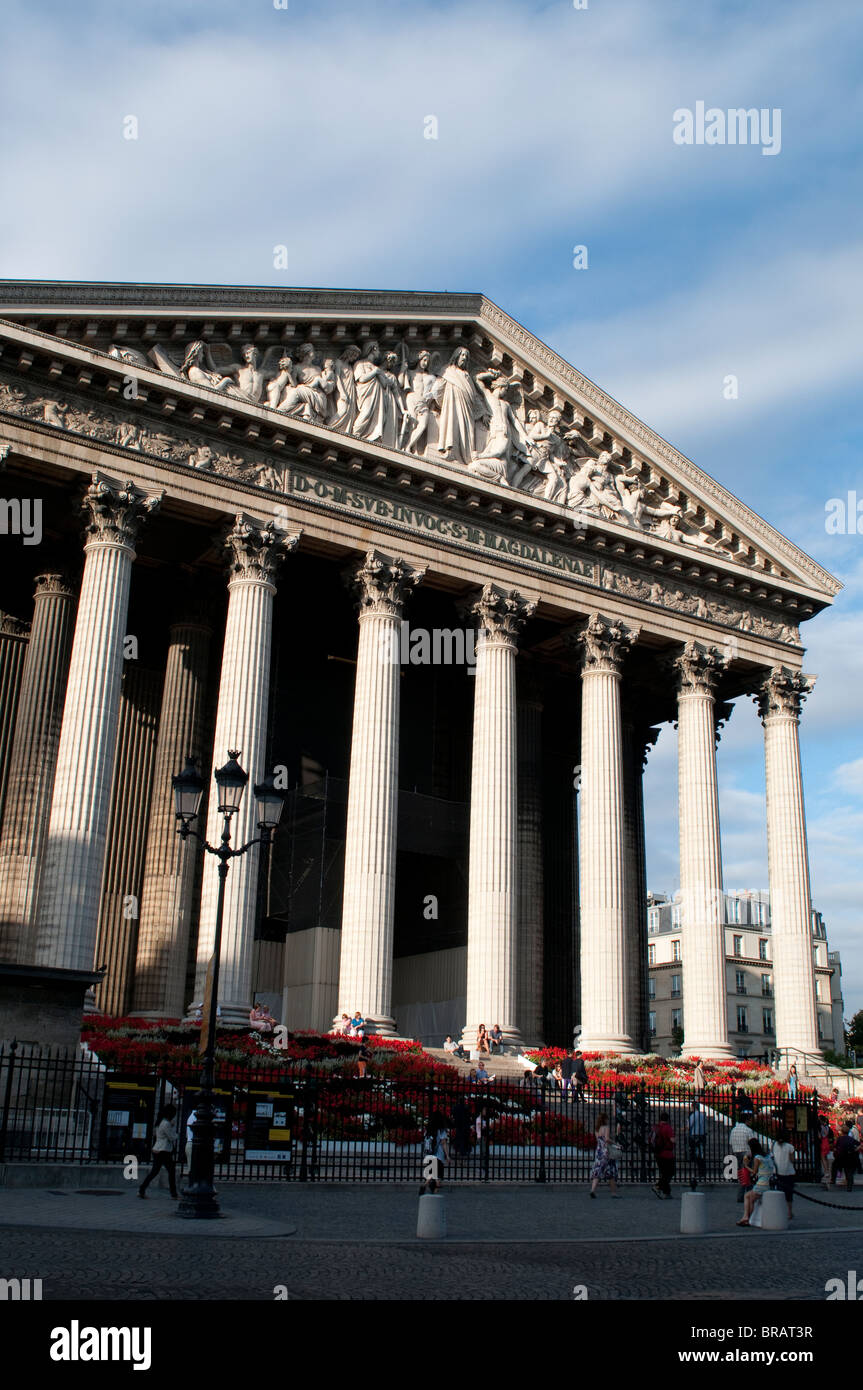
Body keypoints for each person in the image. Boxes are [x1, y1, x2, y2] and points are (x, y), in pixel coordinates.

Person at [138, 1104, 179, 1199]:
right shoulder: (166, 1124)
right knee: (171, 1172)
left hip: (157, 1149)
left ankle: (142, 1189)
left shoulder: (160, 1122)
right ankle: (174, 1194)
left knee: (155, 1171)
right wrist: (175, 1130)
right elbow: (172, 1137)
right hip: (164, 1151)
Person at [737, 1139, 774, 1225]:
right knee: (750, 1198)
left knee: (748, 1197)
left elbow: (754, 1172)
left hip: (762, 1184)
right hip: (768, 1182)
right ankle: (746, 1218)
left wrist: (746, 1166)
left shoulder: (757, 1158)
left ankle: (746, 1217)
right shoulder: (767, 1156)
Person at [590, 1112, 620, 1199]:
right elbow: (606, 1139)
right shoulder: (606, 1127)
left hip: (599, 1151)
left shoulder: (597, 1129)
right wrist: (616, 1144)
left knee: (598, 1171)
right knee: (611, 1171)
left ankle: (592, 1190)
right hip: (606, 1151)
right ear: (605, 1119)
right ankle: (613, 1192)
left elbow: (599, 1140)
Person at [421, 1110, 450, 1194]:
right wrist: (447, 1155)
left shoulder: (428, 1130)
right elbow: (444, 1143)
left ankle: (425, 1185)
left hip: (429, 1155)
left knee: (432, 1174)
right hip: (438, 1156)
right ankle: (434, 1193)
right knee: (438, 1176)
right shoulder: (441, 1130)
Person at [772, 1128, 797, 1219]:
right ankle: (789, 1212)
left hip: (778, 1172)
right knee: (789, 1194)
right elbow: (792, 1160)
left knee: (779, 1192)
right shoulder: (790, 1147)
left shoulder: (774, 1145)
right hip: (789, 1172)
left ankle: (779, 1211)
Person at [729, 1117, 755, 1202]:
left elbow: (730, 1142)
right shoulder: (748, 1130)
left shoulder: (734, 1130)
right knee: (746, 1173)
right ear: (746, 1121)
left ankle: (748, 1193)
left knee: (742, 1173)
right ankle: (743, 1195)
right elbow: (752, 1143)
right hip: (746, 1153)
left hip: (737, 1152)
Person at [652, 1111, 675, 1199]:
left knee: (664, 1173)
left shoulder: (657, 1128)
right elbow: (672, 1140)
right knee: (670, 1173)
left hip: (658, 1153)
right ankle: (657, 1186)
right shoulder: (667, 1128)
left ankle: (667, 1192)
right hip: (667, 1154)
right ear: (668, 1119)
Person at [833, 1123, 860, 1192]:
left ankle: (833, 1180)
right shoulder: (851, 1139)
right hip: (850, 1156)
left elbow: (836, 1147)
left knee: (834, 1166)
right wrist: (855, 1149)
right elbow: (859, 1144)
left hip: (841, 1157)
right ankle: (849, 1187)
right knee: (849, 1172)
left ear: (842, 1132)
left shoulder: (840, 1139)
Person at [688, 1102, 707, 1190]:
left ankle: (698, 1170)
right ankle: (702, 1170)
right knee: (701, 1153)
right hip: (702, 1135)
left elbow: (689, 1126)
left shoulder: (693, 1115)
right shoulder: (703, 1115)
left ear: (693, 1107)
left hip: (695, 1135)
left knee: (696, 1153)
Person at [818, 1115, 835, 1186]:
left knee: (822, 1157)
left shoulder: (820, 1127)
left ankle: (826, 1171)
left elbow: (819, 1136)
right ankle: (828, 1170)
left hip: (823, 1142)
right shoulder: (827, 1127)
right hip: (827, 1142)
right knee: (826, 1157)